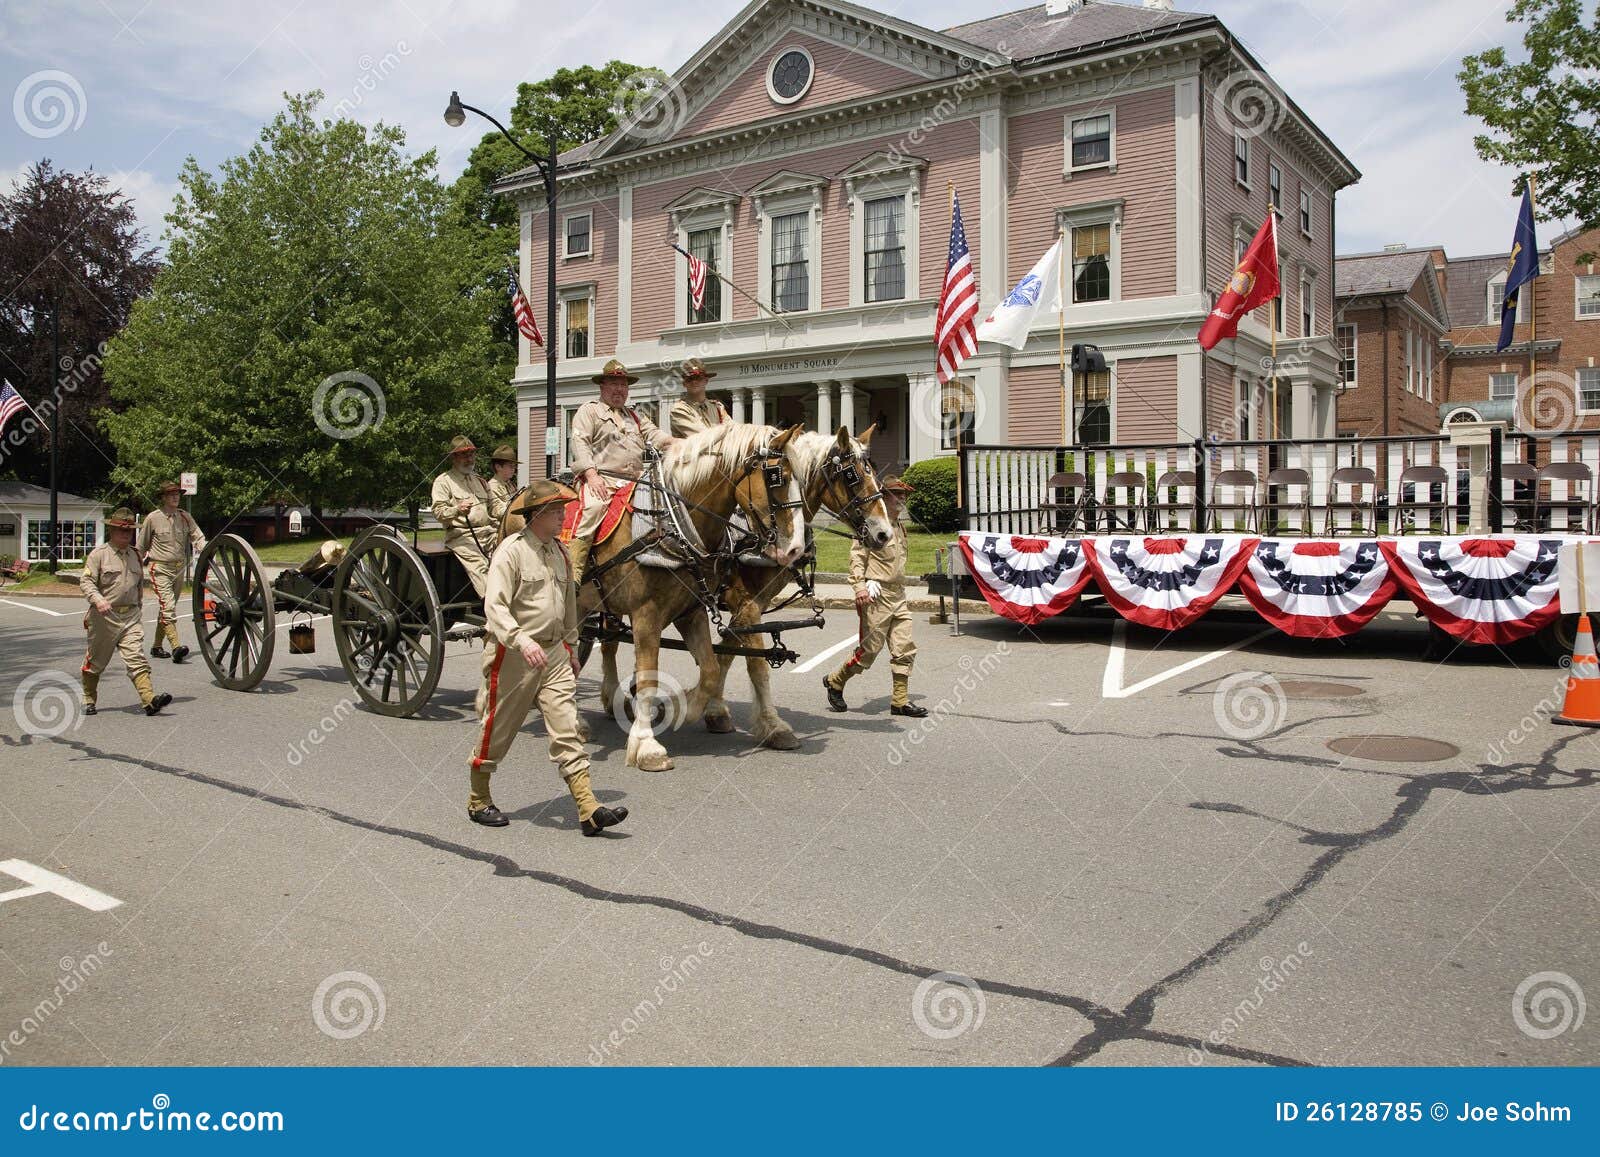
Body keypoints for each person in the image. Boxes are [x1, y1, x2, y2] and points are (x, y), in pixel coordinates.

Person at [468, 479, 628, 836]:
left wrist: (570, 646)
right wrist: (520, 640)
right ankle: (479, 798)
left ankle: (588, 808)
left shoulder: (560, 551)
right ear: (537, 514)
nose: (563, 517)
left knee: (566, 726)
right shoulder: (510, 551)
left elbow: (568, 604)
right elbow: (494, 606)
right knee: (500, 726)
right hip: (514, 652)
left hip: (554, 653)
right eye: (556, 512)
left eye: (562, 511)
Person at [823, 475, 927, 717]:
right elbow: (857, 558)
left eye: (904, 494)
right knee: (868, 652)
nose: (902, 498)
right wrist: (860, 586)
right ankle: (835, 681)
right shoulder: (870, 524)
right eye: (897, 494)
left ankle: (900, 701)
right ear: (884, 497)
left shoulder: (899, 525)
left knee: (905, 648)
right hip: (876, 594)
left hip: (898, 595)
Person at [567, 359, 674, 586]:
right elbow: (580, 443)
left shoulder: (635, 416)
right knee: (593, 509)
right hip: (601, 478)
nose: (619, 389)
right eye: (614, 383)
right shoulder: (590, 411)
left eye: (623, 385)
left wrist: (683, 444)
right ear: (602, 386)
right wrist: (591, 474)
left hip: (634, 482)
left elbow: (657, 437)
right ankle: (573, 574)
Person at [80, 508, 173, 717]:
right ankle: (89, 698)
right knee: (96, 662)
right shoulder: (99, 555)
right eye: (122, 530)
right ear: (112, 531)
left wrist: (138, 606)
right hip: (104, 617)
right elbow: (86, 582)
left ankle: (149, 701)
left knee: (136, 657)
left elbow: (139, 584)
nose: (126, 534)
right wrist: (99, 600)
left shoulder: (135, 555)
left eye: (130, 531)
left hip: (130, 616)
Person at [137, 479, 205, 662]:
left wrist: (205, 549)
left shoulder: (184, 516)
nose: (176, 497)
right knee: (168, 607)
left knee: (167, 608)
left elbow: (197, 536)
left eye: (177, 494)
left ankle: (157, 646)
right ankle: (176, 647)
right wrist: (133, 569)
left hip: (179, 568)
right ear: (163, 497)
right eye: (171, 494)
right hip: (159, 568)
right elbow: (141, 546)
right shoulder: (153, 518)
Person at [430, 436, 495, 596]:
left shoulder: (480, 481)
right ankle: (493, 606)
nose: (470, 459)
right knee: (480, 566)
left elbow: (494, 508)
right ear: (453, 457)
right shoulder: (443, 482)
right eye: (464, 455)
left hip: (489, 533)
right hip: (462, 537)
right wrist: (457, 509)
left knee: (511, 554)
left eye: (472, 454)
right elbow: (438, 512)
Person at [667, 357, 730, 438]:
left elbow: (732, 431)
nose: (694, 382)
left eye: (698, 377)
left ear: (706, 380)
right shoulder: (679, 410)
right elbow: (702, 438)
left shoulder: (718, 408)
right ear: (684, 383)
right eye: (689, 379)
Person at [486, 444, 519, 525]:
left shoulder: (510, 484)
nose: (513, 469)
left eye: (514, 466)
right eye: (510, 466)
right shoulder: (491, 487)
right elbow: (498, 512)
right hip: (499, 529)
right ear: (498, 467)